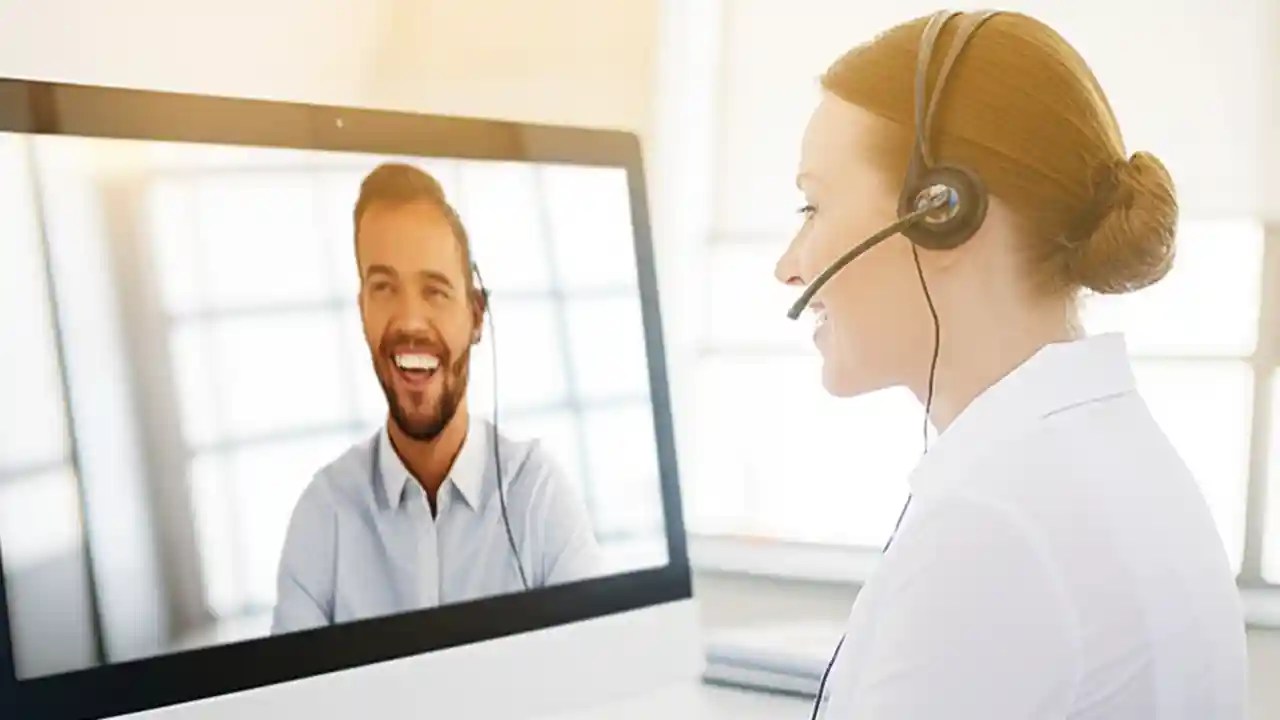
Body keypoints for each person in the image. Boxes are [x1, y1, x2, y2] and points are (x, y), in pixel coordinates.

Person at [774, 10, 1247, 719]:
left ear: (941, 213)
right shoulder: (1110, 457)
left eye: (812, 207)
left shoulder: (991, 529)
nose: (788, 267)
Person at [272, 162, 605, 634]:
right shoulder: (324, 515)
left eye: (435, 291)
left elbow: (595, 668)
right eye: (384, 288)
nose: (410, 321)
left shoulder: (537, 495)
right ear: (362, 309)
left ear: (476, 316)